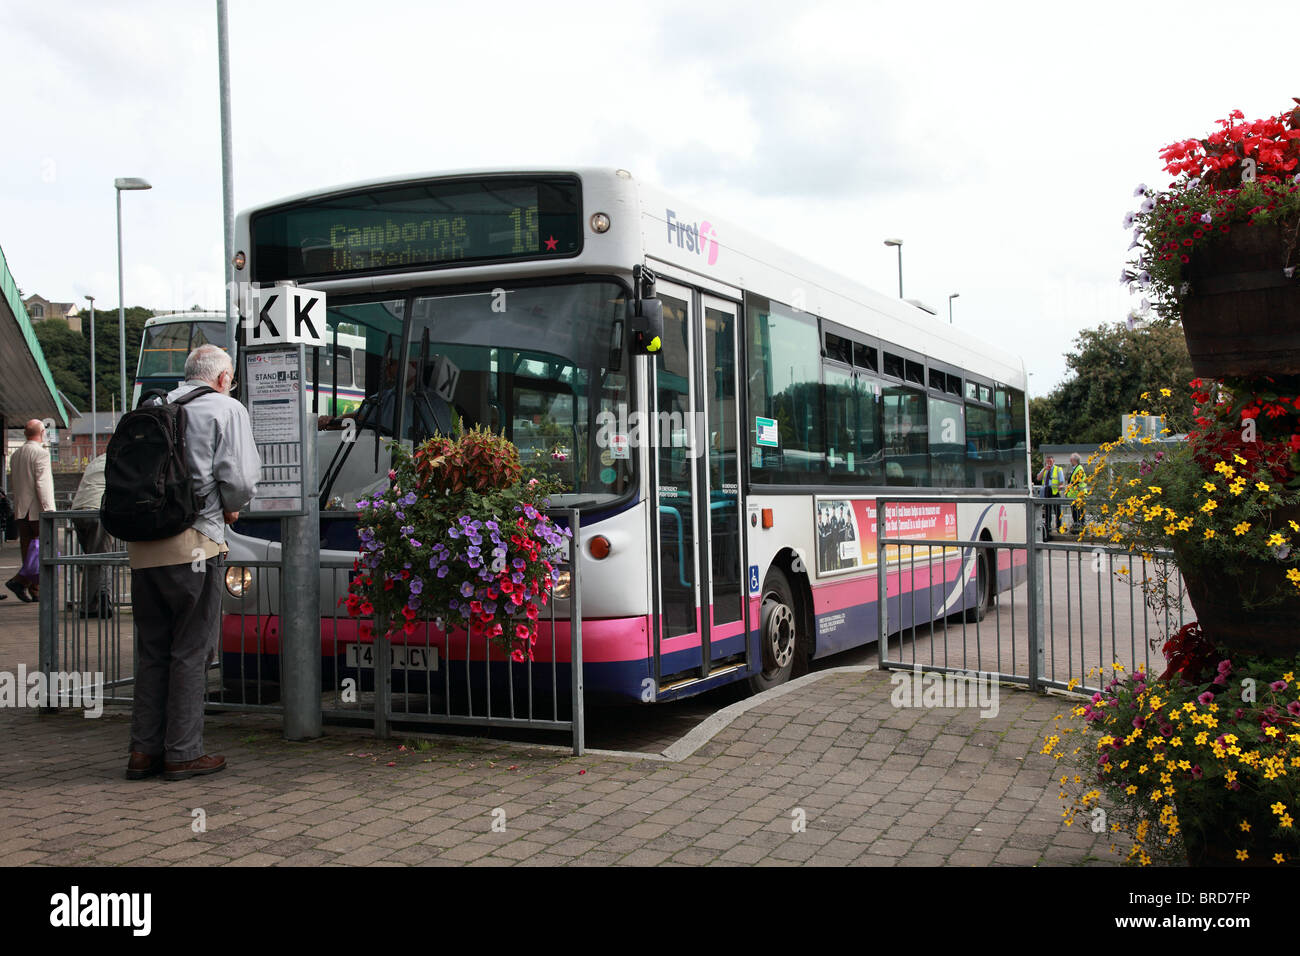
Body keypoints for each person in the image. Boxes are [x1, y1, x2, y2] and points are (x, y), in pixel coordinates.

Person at [125, 344, 260, 781]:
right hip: (196, 545)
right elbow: (239, 480)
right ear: (223, 378)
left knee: (152, 651)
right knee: (191, 650)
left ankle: (143, 753)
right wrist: (231, 507)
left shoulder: (155, 406)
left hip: (143, 548)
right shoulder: (225, 408)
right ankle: (182, 752)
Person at [5, 419, 55, 603]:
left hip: (21, 509)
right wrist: (49, 510)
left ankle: (34, 589)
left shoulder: (16, 454)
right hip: (37, 510)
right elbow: (43, 483)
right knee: (44, 550)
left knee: (28, 551)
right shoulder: (41, 454)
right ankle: (21, 581)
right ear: (41, 432)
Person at [70, 452, 114, 617]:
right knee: (103, 558)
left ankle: (89, 604)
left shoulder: (97, 460)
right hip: (98, 510)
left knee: (91, 558)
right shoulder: (121, 458)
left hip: (78, 510)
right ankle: (101, 599)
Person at [1035, 454, 1065, 540]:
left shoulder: (1058, 469)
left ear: (1053, 461)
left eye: (1050, 461)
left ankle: (1059, 528)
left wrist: (1060, 486)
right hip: (1047, 493)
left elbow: (1061, 481)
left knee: (1057, 511)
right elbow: (1038, 478)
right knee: (1047, 511)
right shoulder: (1045, 469)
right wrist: (1044, 469)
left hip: (1055, 492)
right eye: (1047, 462)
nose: (1049, 463)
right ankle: (1048, 528)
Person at [1066, 453, 1087, 531]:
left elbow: (1076, 481)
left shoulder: (1079, 468)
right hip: (1074, 495)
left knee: (1079, 514)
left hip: (1078, 495)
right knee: (1075, 514)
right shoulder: (1075, 468)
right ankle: (1077, 528)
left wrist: (1069, 485)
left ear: (1074, 460)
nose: (1070, 461)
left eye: (1071, 459)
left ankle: (1080, 528)